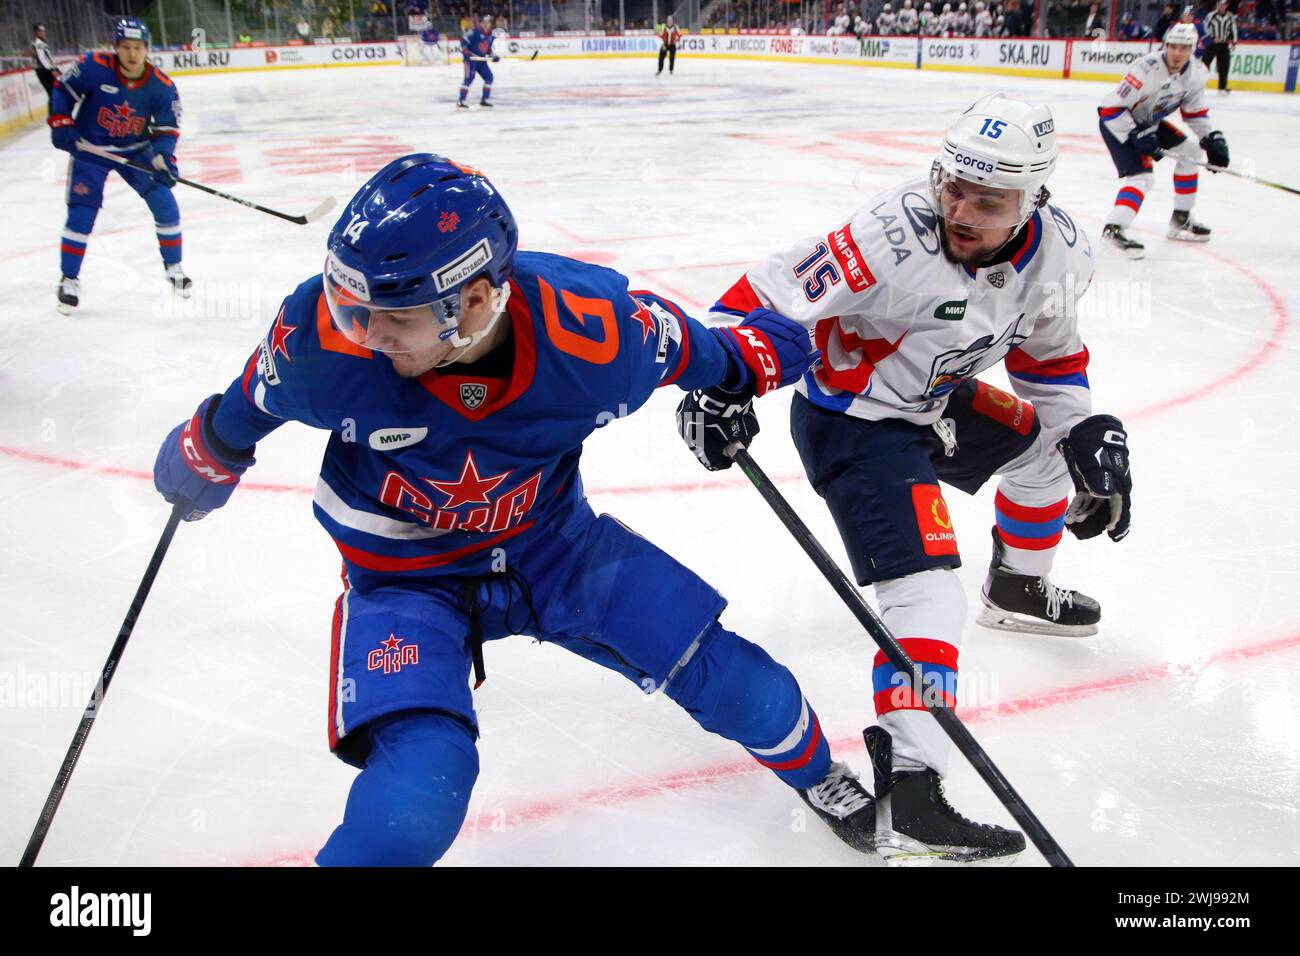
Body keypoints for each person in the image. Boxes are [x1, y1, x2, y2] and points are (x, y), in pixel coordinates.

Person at [152, 153, 886, 866]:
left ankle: (818, 773)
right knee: (416, 803)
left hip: (554, 549)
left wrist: (776, 353)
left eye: (389, 317)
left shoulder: (596, 336)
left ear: (472, 300)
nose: (363, 335)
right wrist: (204, 452)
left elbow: (711, 353)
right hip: (404, 575)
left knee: (734, 678)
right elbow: (246, 407)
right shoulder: (323, 342)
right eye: (351, 306)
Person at [681, 93, 1135, 862]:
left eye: (986, 201)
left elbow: (1048, 361)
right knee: (926, 594)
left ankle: (1019, 588)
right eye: (950, 185)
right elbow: (760, 299)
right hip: (854, 423)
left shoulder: (1062, 253)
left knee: (1050, 453)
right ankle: (915, 786)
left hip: (935, 398)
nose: (958, 209)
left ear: (1033, 199)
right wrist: (719, 381)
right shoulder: (890, 236)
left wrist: (1088, 430)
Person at [47, 18, 188, 315]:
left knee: (165, 203)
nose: (132, 54)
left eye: (138, 47)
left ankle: (173, 265)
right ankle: (69, 279)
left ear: (147, 49)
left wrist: (163, 159)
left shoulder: (161, 87)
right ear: (115, 48)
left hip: (135, 151)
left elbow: (166, 129)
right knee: (82, 214)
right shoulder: (93, 66)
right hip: (91, 150)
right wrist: (60, 120)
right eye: (126, 47)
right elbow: (62, 89)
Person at [1097, 22, 1229, 256]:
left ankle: (1181, 219)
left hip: (1149, 124)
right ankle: (1114, 228)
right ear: (1166, 45)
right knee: (1142, 177)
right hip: (1118, 123)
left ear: (1193, 49)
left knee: (1190, 151)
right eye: (1173, 46)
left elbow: (1194, 111)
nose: (1177, 53)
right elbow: (1110, 109)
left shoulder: (1197, 73)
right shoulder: (1145, 69)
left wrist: (1211, 137)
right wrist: (1134, 135)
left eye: (1184, 48)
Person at [458, 15, 498, 108]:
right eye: (484, 22)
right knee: (469, 79)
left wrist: (493, 56)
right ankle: (461, 100)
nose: (486, 24)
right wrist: (466, 51)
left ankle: (484, 100)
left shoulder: (491, 36)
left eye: (488, 22)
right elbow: (463, 41)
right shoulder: (474, 32)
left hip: (481, 61)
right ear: (481, 23)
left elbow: (488, 49)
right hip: (470, 61)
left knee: (489, 77)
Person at [1202, 0, 1238, 93]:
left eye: (1224, 4)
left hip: (1224, 43)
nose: (1222, 6)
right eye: (1221, 4)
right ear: (1217, 5)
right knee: (1204, 64)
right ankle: (1198, 84)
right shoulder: (1211, 15)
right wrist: (1212, 37)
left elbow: (1233, 29)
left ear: (1226, 5)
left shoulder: (1230, 16)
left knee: (1224, 66)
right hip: (1213, 44)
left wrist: (1234, 42)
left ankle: (1222, 86)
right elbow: (1205, 27)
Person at [31, 24, 60, 108]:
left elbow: (48, 57)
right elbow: (42, 59)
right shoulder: (39, 44)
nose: (43, 33)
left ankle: (53, 114)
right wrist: (52, 69)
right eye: (41, 31)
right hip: (43, 70)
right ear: (36, 32)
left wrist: (55, 68)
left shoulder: (42, 43)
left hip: (45, 69)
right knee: (52, 92)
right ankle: (53, 115)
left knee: (53, 92)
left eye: (43, 31)